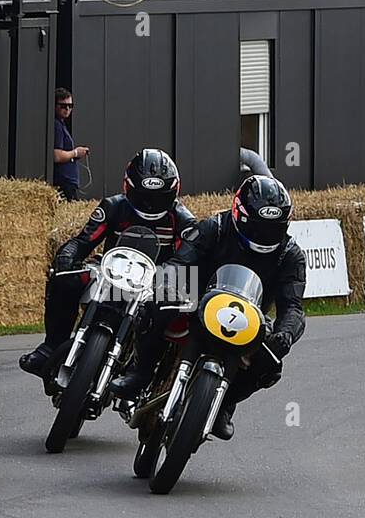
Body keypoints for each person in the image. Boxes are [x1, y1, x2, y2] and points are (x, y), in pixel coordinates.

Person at [112, 175, 306, 442]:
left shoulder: (290, 254)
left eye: (272, 228)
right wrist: (169, 280)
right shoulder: (214, 228)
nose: (264, 235)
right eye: (258, 226)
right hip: (197, 297)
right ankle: (141, 371)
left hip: (248, 315)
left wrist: (285, 333)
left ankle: (226, 404)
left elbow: (293, 306)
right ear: (240, 213)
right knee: (154, 305)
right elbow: (182, 260)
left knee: (271, 362)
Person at [20, 149, 194, 378]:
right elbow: (83, 241)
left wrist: (173, 281)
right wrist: (66, 258)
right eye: (144, 195)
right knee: (64, 280)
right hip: (110, 275)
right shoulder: (113, 207)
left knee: (176, 312)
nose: (150, 204)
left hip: (153, 287)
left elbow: (190, 257)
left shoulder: (182, 219)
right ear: (128, 186)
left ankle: (143, 373)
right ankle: (51, 345)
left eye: (159, 196)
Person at [53, 88, 87, 202]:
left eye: (70, 105)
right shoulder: (56, 126)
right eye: (63, 106)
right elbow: (56, 155)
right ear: (55, 106)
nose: (67, 109)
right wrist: (76, 152)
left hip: (68, 182)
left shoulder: (61, 125)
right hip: (64, 182)